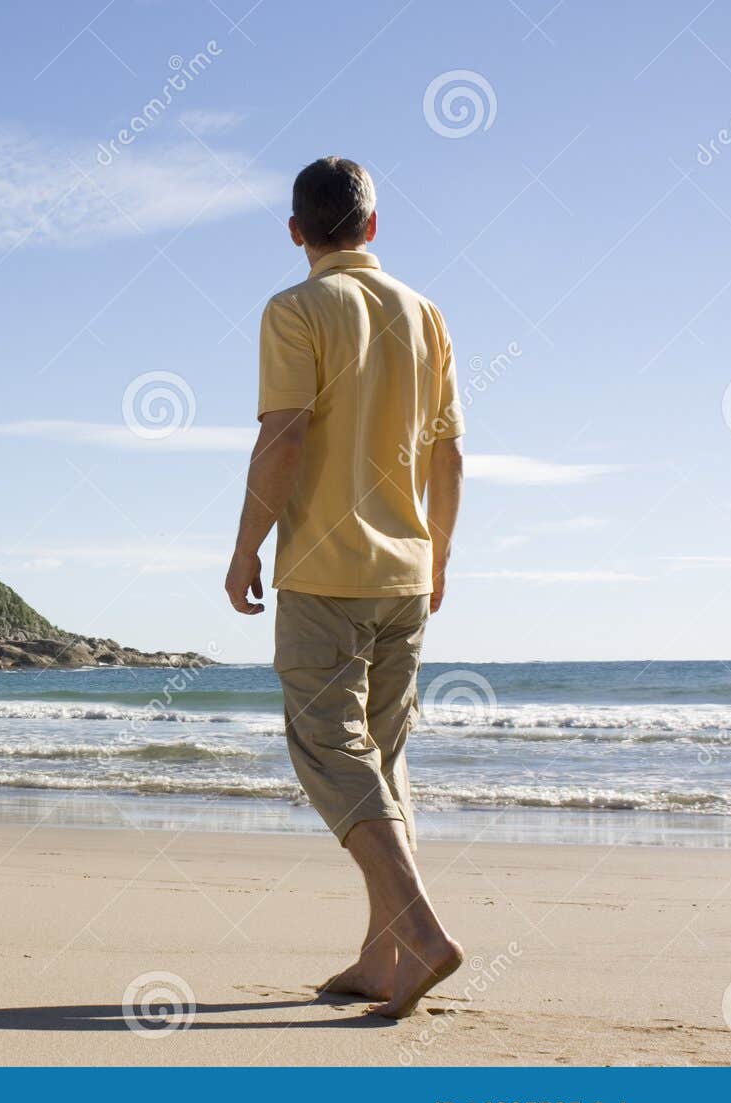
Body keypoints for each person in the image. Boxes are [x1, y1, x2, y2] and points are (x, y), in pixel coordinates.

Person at [224, 156, 466, 1019]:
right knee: (383, 761)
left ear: (296, 231)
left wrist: (245, 547)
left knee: (330, 752)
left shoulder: (295, 309)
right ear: (372, 226)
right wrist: (437, 556)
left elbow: (283, 436)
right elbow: (449, 453)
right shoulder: (423, 311)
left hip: (323, 571)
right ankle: (382, 954)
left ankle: (425, 932)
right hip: (404, 572)